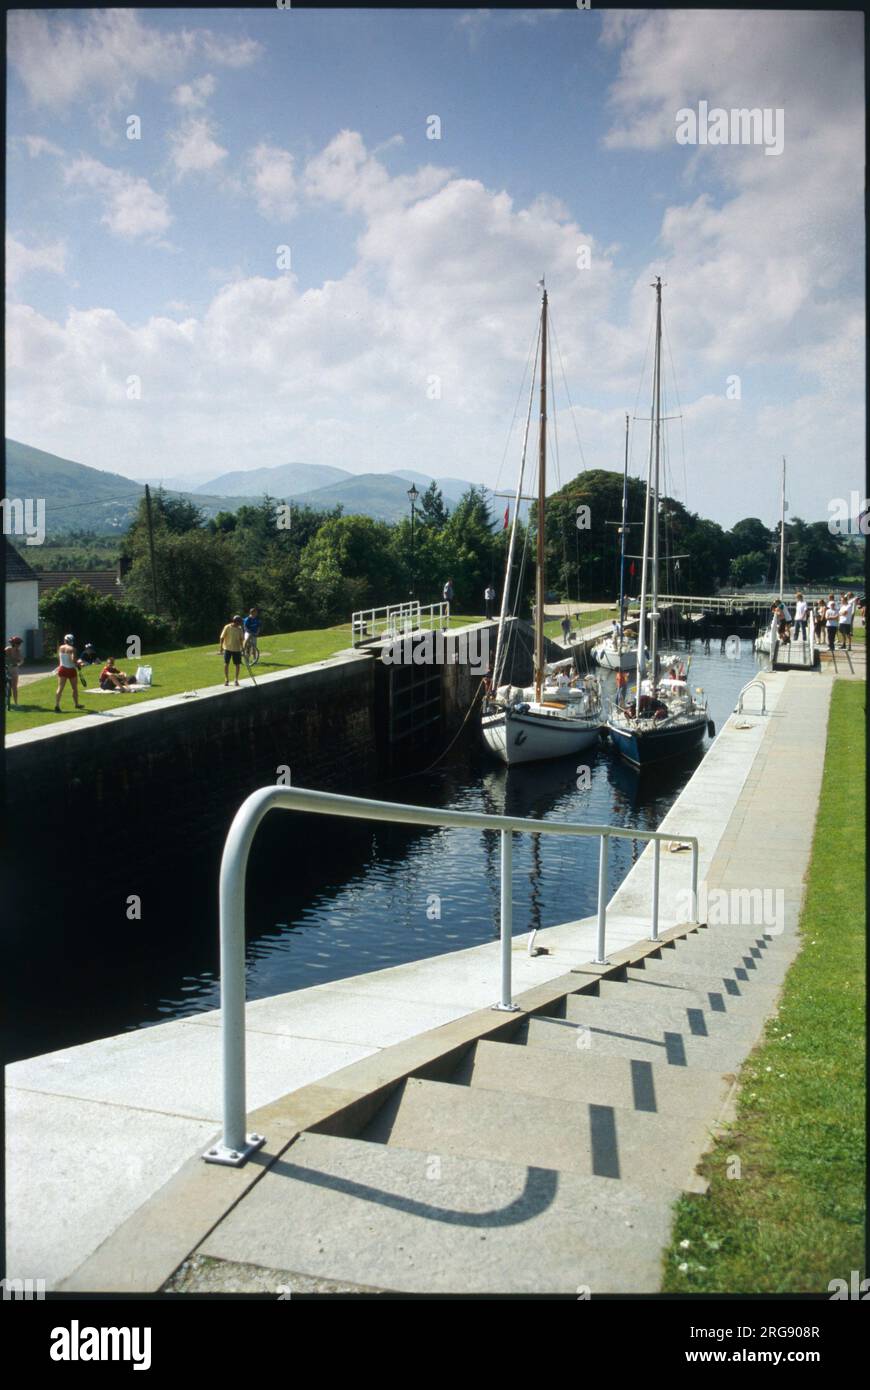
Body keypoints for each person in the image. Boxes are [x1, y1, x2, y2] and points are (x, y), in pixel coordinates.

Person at [55, 634, 84, 712]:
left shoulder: (61, 647)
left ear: (65, 640)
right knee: (74, 688)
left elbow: (60, 658)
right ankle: (76, 704)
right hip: (71, 670)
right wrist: (79, 663)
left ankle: (57, 705)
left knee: (60, 688)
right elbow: (73, 660)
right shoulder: (72, 649)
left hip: (62, 669)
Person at [220, 614, 245, 687]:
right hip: (227, 648)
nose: (240, 624)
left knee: (237, 665)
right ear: (235, 622)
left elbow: (241, 639)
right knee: (226, 664)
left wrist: (242, 648)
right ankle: (226, 679)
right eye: (239, 622)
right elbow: (222, 637)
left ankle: (236, 680)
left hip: (237, 649)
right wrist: (221, 647)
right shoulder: (227, 627)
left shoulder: (240, 629)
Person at [4, 636, 24, 708]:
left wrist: (19, 663)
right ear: (14, 643)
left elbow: (21, 660)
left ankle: (16, 703)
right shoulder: (7, 649)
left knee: (14, 687)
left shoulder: (18, 651)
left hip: (14, 668)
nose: (19, 645)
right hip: (6, 668)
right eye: (18, 643)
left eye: (19, 643)